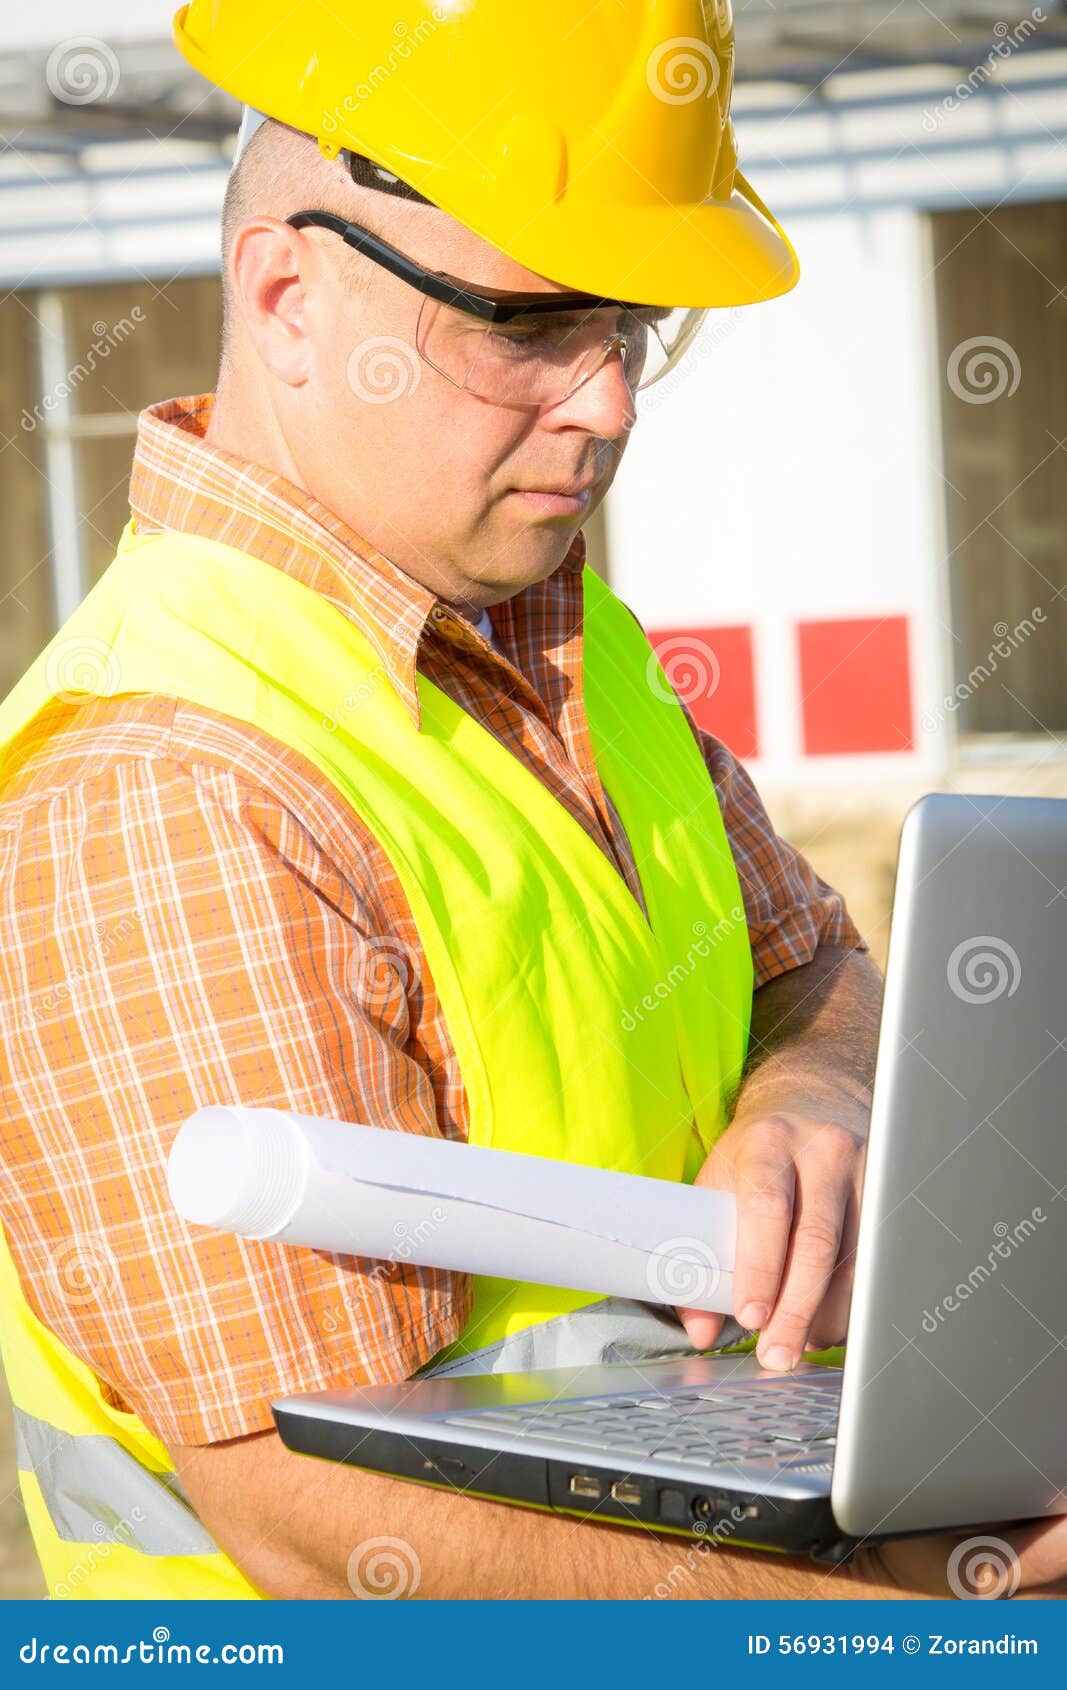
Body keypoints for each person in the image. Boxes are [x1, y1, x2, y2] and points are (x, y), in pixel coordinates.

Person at [0, 0, 1062, 1602]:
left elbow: (814, 967)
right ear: (289, 298)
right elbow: (330, 1521)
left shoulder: (581, 658)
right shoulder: (170, 783)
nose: (608, 401)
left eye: (627, 326)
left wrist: (814, 1098)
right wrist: (928, 1612)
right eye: (526, 326)